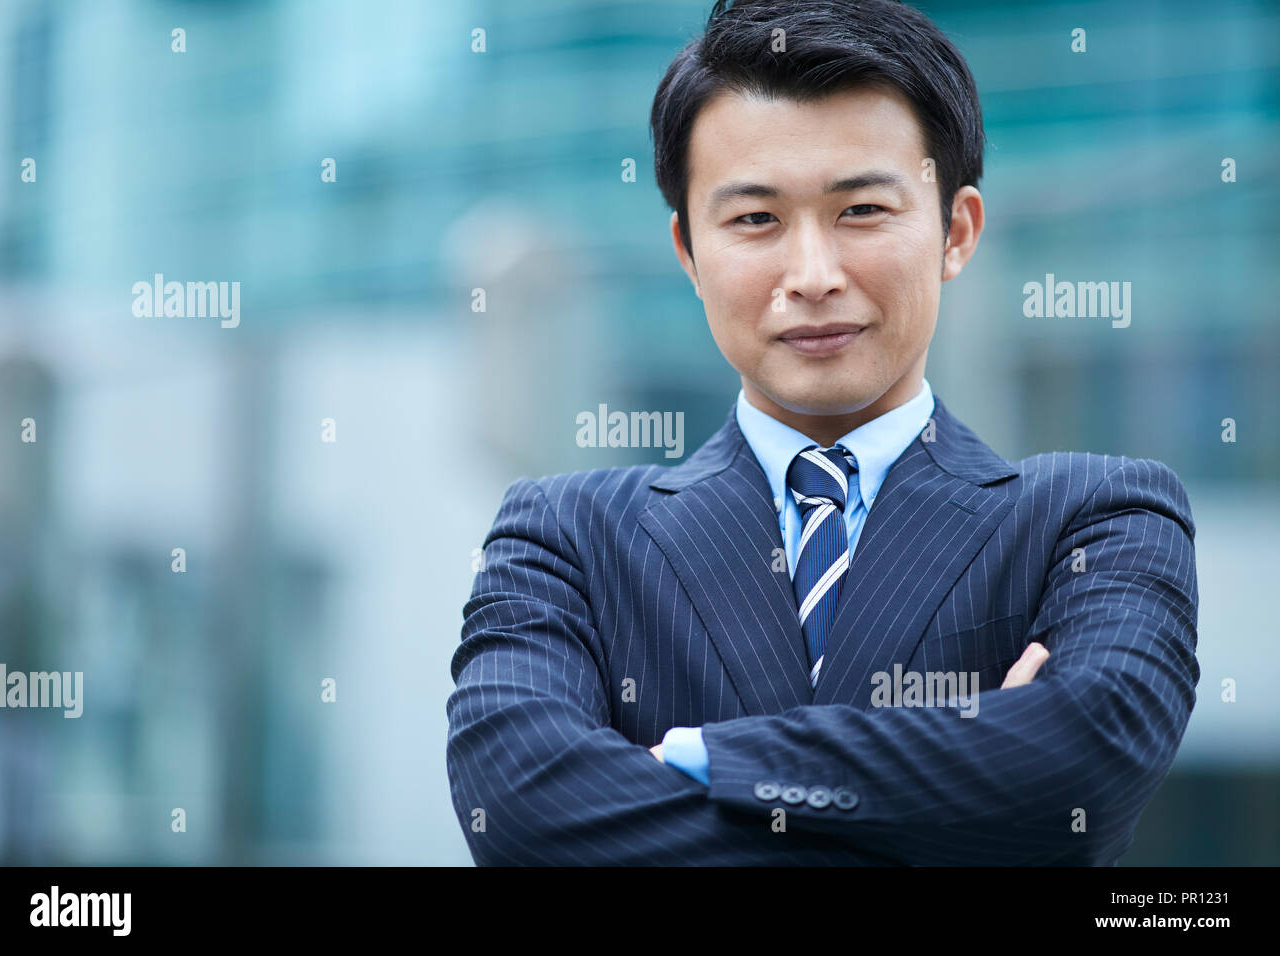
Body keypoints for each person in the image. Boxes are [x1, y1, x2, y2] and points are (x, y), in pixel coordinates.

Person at [446, 0, 1199, 865]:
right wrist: (975, 788)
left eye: (863, 210)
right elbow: (519, 809)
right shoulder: (566, 538)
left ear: (955, 231)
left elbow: (1080, 766)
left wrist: (700, 759)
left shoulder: (1096, 518)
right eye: (755, 220)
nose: (811, 276)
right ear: (688, 252)